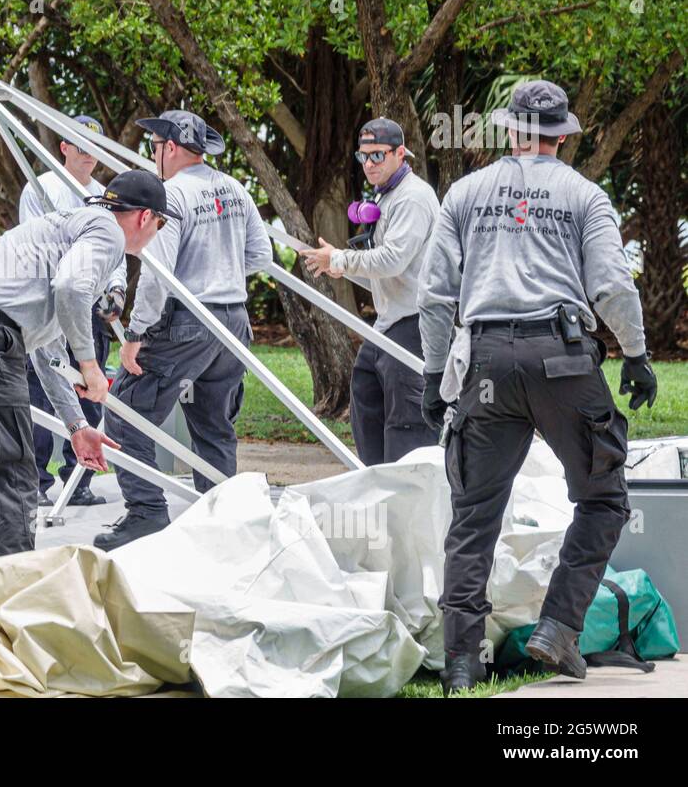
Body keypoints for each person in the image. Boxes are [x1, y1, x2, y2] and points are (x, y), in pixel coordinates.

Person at [418, 80, 658, 695]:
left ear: (509, 129)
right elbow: (611, 286)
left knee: (473, 516)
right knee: (603, 498)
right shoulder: (584, 194)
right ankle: (558, 627)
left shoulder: (465, 194)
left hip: (487, 365)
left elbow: (437, 294)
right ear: (562, 135)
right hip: (564, 361)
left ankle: (464, 662)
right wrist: (634, 352)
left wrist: (432, 371)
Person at [0, 170, 176, 561]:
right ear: (146, 217)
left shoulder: (65, 231)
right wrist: (92, 366)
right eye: (159, 225)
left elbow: (45, 349)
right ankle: (15, 593)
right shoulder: (106, 231)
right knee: (12, 475)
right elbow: (72, 287)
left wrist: (77, 426)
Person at [95, 110, 274, 551]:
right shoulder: (234, 189)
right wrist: (221, 270)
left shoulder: (170, 196)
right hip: (233, 319)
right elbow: (261, 256)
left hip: (187, 319)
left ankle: (146, 513)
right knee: (213, 423)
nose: (152, 154)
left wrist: (135, 333)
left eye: (154, 146)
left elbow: (157, 274)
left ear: (170, 148)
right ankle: (221, 519)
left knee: (124, 414)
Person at [300, 118, 441, 465]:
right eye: (363, 157)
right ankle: (375, 480)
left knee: (407, 420)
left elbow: (392, 260)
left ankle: (406, 495)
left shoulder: (412, 198)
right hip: (389, 322)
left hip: (416, 323)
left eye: (378, 155)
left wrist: (342, 259)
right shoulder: (388, 195)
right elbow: (388, 272)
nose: (370, 164)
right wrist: (339, 266)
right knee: (364, 392)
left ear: (400, 154)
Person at [17, 114, 126, 508]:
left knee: (89, 393)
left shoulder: (105, 194)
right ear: (63, 147)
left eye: (94, 147)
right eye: (80, 145)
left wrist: (117, 289)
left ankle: (78, 480)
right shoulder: (41, 189)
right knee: (43, 392)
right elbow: (33, 245)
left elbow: (117, 248)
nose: (88, 154)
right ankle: (34, 482)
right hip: (50, 307)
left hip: (91, 311)